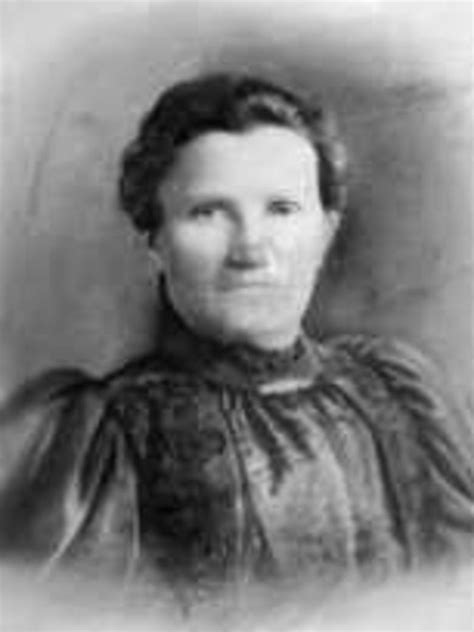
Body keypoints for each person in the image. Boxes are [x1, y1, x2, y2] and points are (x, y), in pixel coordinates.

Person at [0, 73, 472, 615]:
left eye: (282, 208)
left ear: (325, 232)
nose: (250, 249)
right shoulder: (101, 439)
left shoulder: (402, 397)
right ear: (154, 239)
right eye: (208, 212)